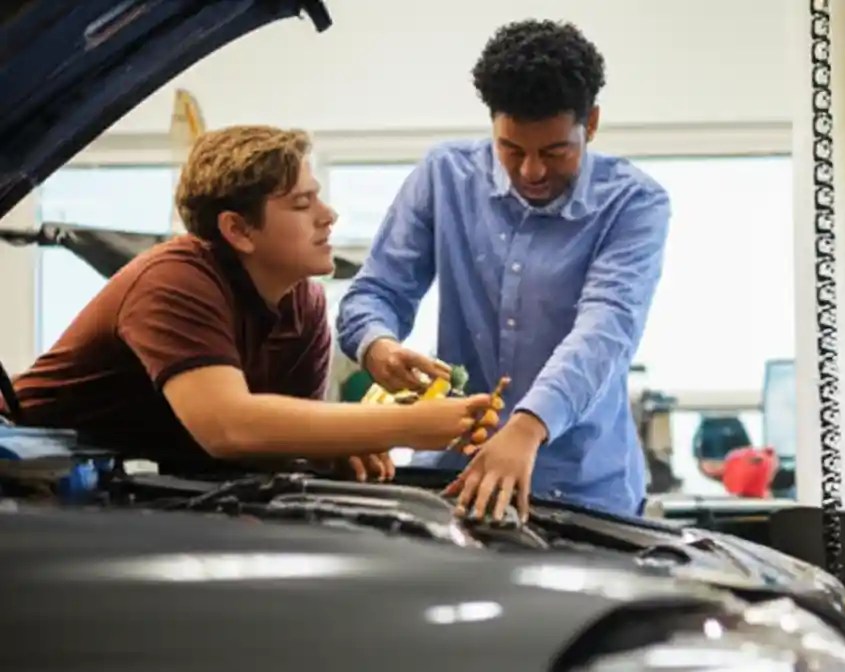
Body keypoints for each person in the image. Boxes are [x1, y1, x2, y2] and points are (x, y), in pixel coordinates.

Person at [4, 125, 496, 479]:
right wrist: (410, 426)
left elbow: (281, 439)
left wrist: (337, 452)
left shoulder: (302, 304)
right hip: (29, 474)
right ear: (237, 230)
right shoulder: (174, 281)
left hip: (133, 484)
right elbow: (230, 427)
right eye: (302, 204)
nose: (329, 216)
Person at [337, 20, 670, 522]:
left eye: (555, 151)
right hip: (452, 474)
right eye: (511, 150)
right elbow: (376, 292)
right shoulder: (444, 176)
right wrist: (377, 345)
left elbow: (606, 330)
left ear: (592, 124)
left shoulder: (634, 203)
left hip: (584, 489)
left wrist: (528, 425)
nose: (532, 171)